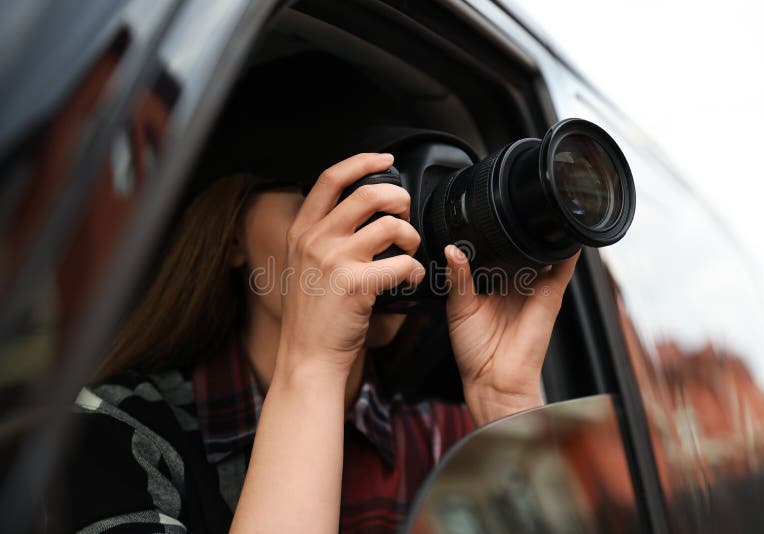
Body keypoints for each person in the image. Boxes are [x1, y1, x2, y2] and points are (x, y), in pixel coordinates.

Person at [48, 150, 578, 533]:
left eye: (405, 209)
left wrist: (507, 402)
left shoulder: (451, 443)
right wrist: (313, 366)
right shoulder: (121, 433)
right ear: (232, 234)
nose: (388, 235)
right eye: (346, 202)